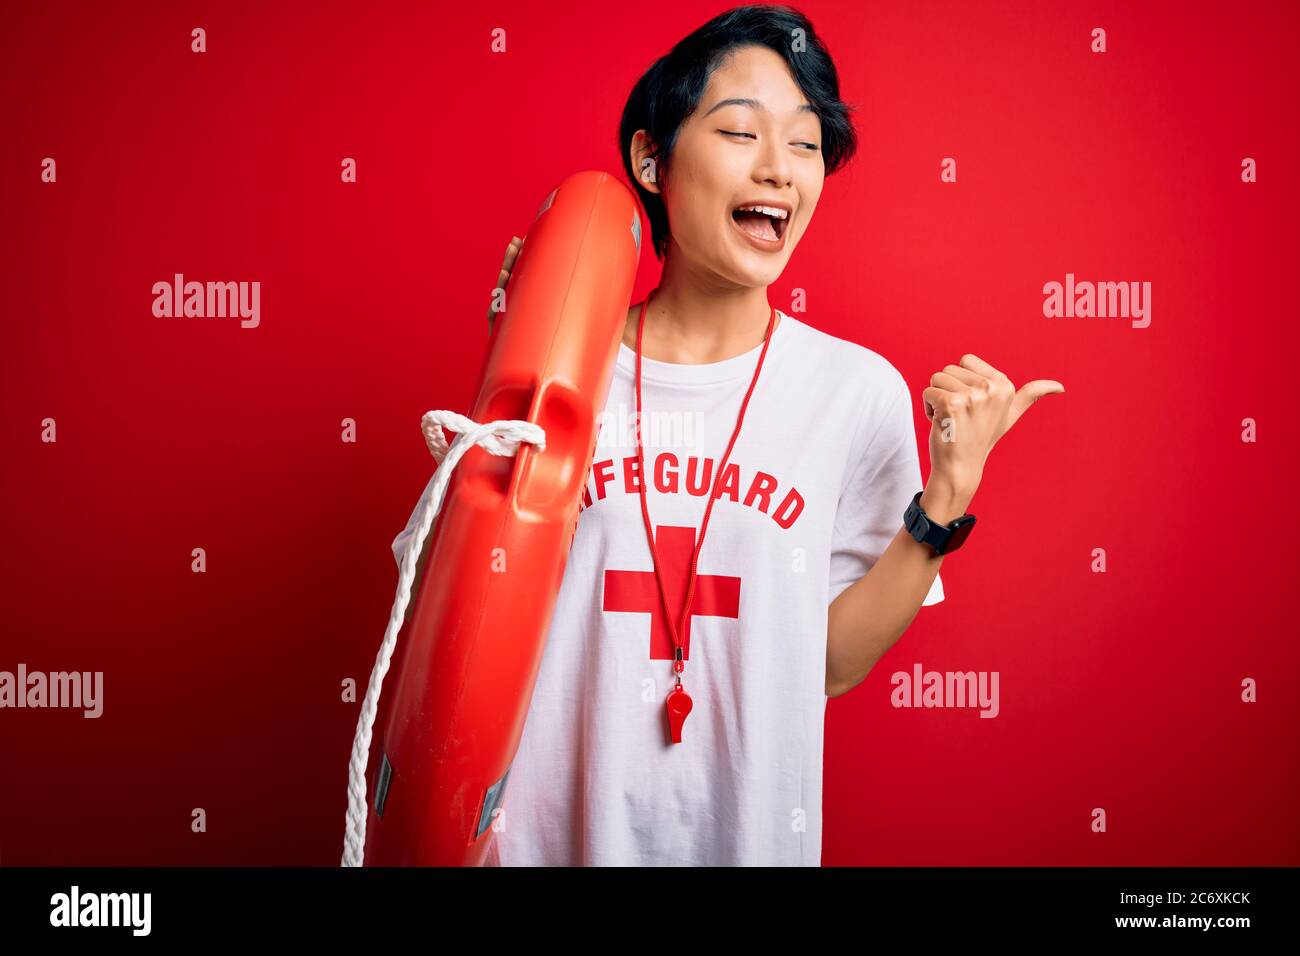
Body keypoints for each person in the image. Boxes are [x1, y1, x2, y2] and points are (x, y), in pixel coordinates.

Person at [415, 4, 1062, 866]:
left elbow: (829, 663)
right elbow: (445, 619)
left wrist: (945, 498)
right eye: (739, 132)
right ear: (653, 159)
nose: (779, 171)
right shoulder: (558, 372)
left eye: (804, 145)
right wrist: (519, 355)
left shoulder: (854, 392)